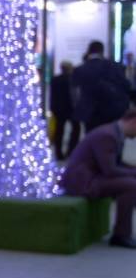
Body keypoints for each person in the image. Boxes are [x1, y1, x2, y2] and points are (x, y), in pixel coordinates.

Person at [60, 106, 136, 249]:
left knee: (131, 183)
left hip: (91, 177)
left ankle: (122, 233)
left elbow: (115, 164)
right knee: (131, 186)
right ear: (133, 121)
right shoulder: (108, 135)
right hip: (83, 183)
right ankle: (121, 235)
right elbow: (110, 170)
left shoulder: (113, 132)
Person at [73, 40, 131, 134]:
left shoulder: (79, 69)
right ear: (102, 51)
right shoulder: (114, 66)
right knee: (112, 137)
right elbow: (126, 86)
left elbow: (75, 93)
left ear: (89, 51)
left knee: (92, 138)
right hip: (112, 111)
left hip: (89, 113)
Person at [51, 61, 80, 160]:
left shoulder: (55, 79)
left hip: (59, 109)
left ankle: (58, 153)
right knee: (76, 129)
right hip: (72, 109)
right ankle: (71, 151)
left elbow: (52, 96)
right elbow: (75, 95)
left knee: (59, 131)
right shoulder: (73, 80)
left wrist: (53, 108)